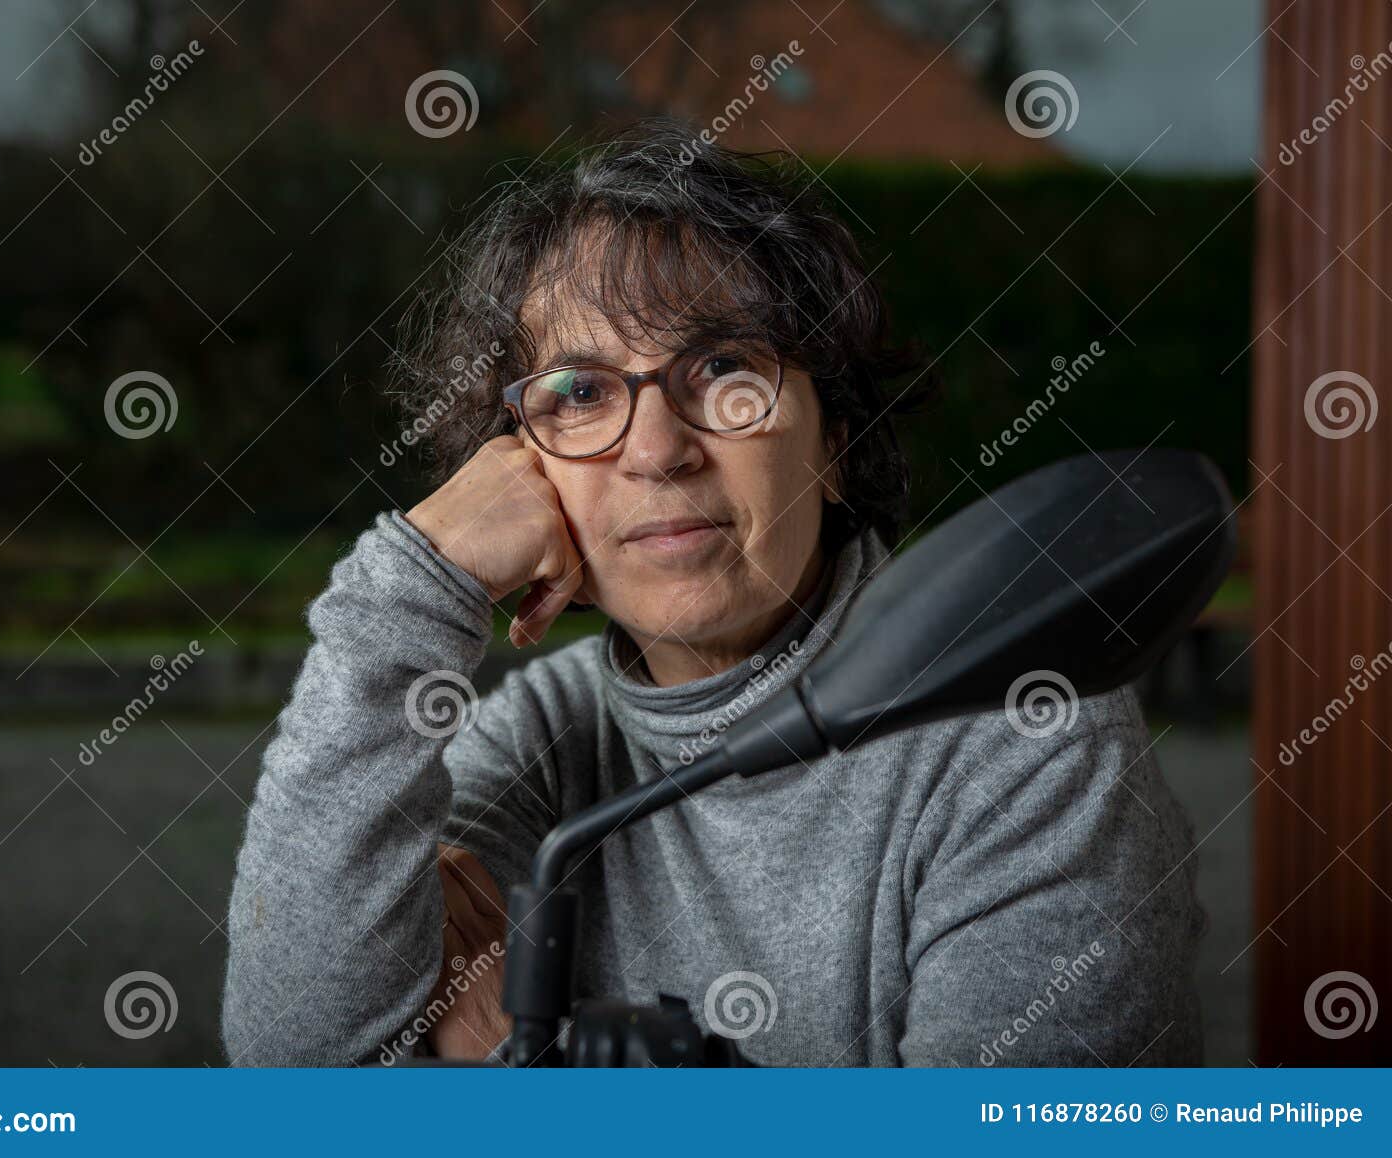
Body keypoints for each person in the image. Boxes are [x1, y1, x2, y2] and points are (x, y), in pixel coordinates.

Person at [220, 118, 1204, 1067]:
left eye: (726, 370)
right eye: (581, 393)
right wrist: (419, 574)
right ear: (522, 472)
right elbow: (295, 1059)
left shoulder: (1022, 734)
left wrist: (549, 1081)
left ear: (835, 442)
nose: (656, 451)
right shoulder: (543, 740)